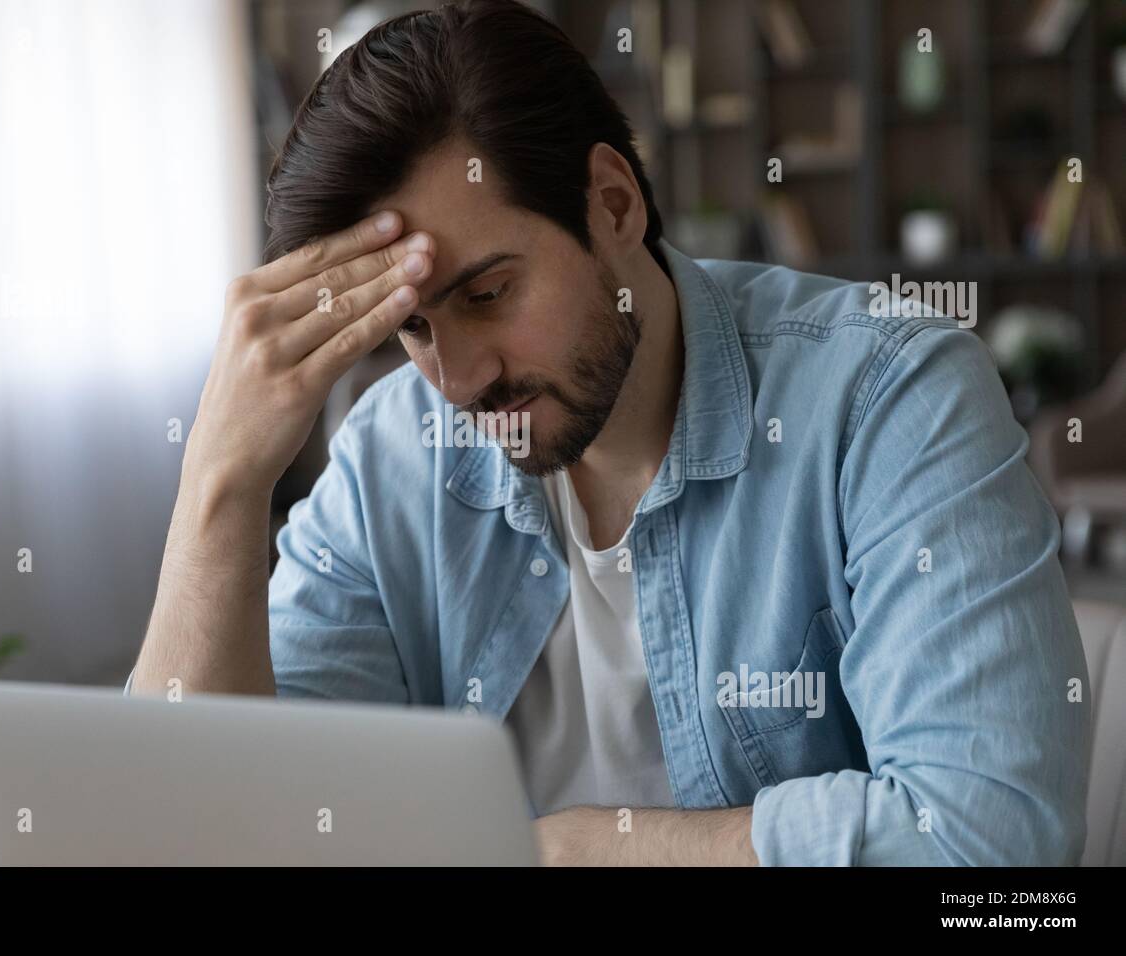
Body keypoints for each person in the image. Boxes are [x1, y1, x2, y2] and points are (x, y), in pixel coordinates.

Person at [129, 0, 1090, 866]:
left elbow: (992, 845)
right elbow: (194, 838)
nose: (460, 381)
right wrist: (219, 482)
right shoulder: (392, 453)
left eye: (490, 294)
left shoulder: (890, 399)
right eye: (412, 329)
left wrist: (583, 851)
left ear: (615, 205)